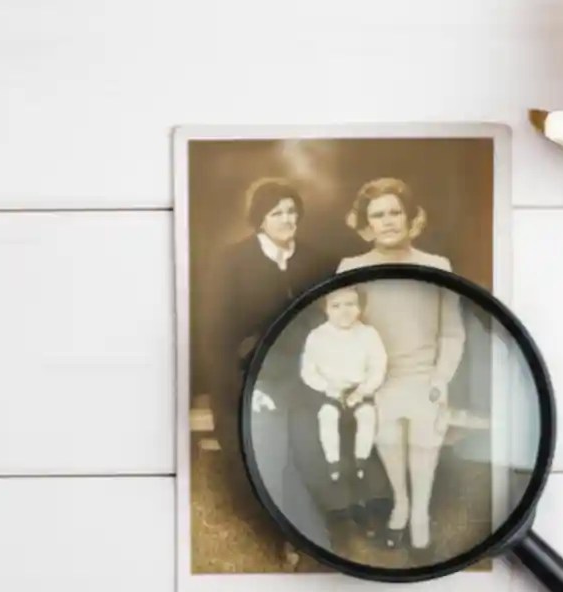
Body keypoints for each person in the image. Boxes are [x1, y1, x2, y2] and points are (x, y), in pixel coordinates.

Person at [198, 177, 335, 555]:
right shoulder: (231, 261)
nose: (287, 219)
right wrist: (242, 392)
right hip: (244, 379)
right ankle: (281, 535)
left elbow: (328, 325)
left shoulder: (315, 260)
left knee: (313, 443)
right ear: (260, 219)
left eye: (292, 211)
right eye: (277, 212)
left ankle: (310, 532)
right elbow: (215, 337)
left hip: (303, 376)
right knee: (259, 452)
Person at [337, 177, 465, 553]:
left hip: (425, 375)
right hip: (379, 379)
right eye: (378, 215)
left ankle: (421, 512)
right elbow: (342, 328)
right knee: (389, 441)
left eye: (395, 212)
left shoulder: (436, 265)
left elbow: (452, 333)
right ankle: (402, 501)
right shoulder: (351, 266)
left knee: (425, 444)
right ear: (366, 224)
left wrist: (441, 379)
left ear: (411, 218)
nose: (388, 221)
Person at [300, 287, 388, 487]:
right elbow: (308, 371)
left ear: (360, 308)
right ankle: (333, 462)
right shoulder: (317, 336)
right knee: (327, 416)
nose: (344, 311)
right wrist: (326, 386)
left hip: (359, 388)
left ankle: (361, 462)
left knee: (367, 416)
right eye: (336, 306)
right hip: (330, 389)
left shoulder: (368, 334)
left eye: (350, 305)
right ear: (326, 309)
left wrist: (363, 390)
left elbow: (378, 366)